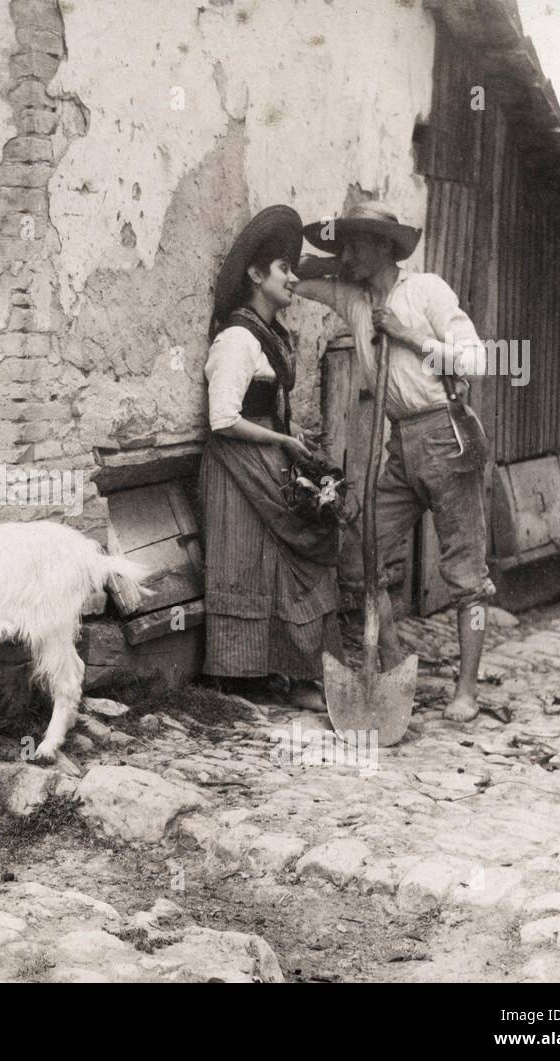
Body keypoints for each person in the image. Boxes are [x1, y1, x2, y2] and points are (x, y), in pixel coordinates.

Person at [294, 199, 495, 722]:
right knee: (363, 548)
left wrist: (410, 337)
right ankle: (389, 665)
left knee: (465, 572)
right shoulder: (354, 299)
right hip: (401, 442)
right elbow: (297, 276)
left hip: (447, 436)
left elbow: (477, 358)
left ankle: (467, 692)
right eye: (342, 245)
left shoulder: (427, 290)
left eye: (356, 244)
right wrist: (328, 259)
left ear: (386, 247)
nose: (345, 254)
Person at [201, 205, 343, 711]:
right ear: (256, 275)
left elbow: (268, 405)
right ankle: (243, 676)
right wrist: (282, 442)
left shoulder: (270, 338)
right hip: (239, 466)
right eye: (284, 268)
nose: (293, 277)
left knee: (284, 563)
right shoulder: (237, 339)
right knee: (252, 565)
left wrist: (292, 432)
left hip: (265, 458)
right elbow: (222, 418)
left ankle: (285, 672)